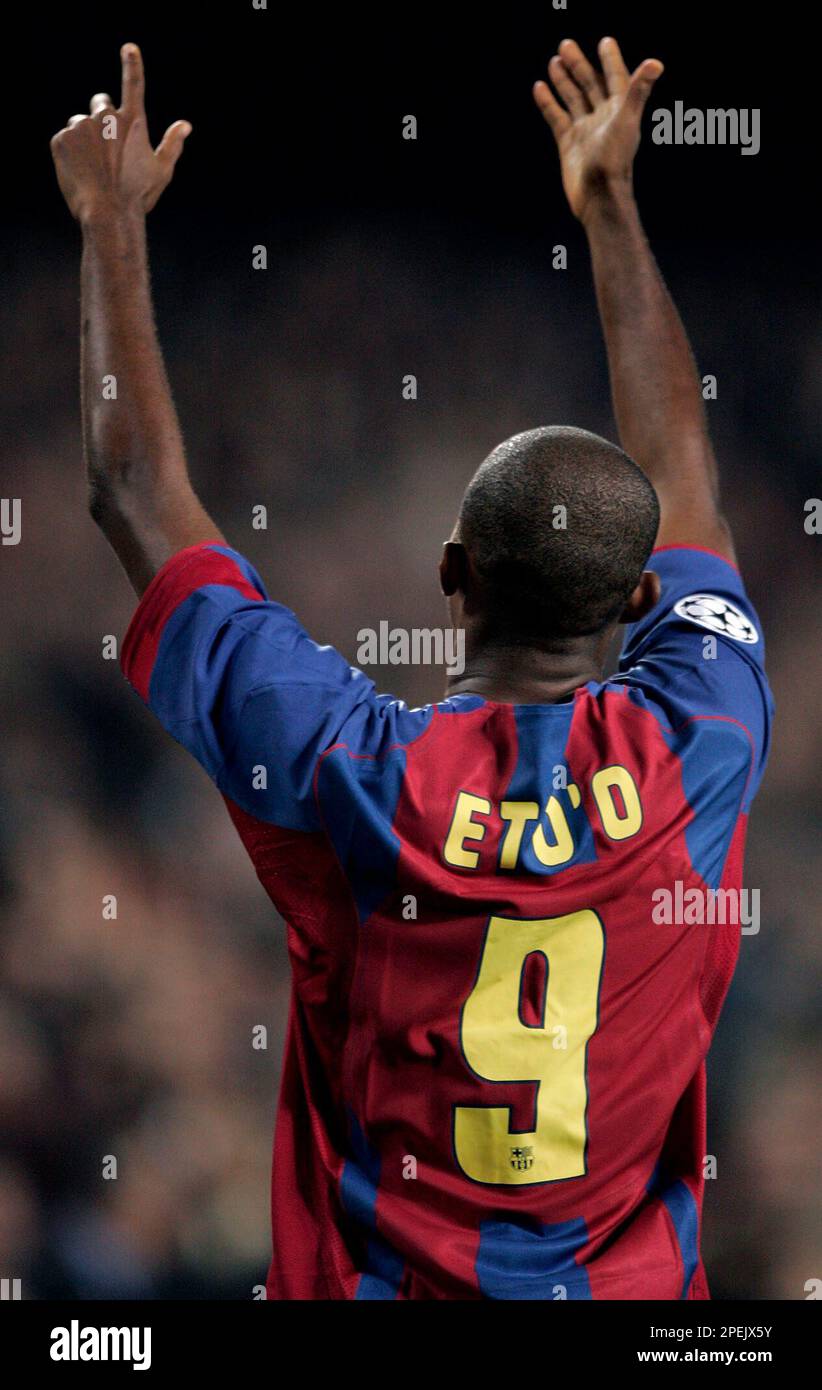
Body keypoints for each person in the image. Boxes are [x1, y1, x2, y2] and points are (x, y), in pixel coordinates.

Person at [51, 36, 773, 1299]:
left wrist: (109, 225)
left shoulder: (351, 769)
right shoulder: (701, 737)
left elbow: (130, 493)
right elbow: (688, 476)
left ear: (452, 574)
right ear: (645, 595)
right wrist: (609, 206)